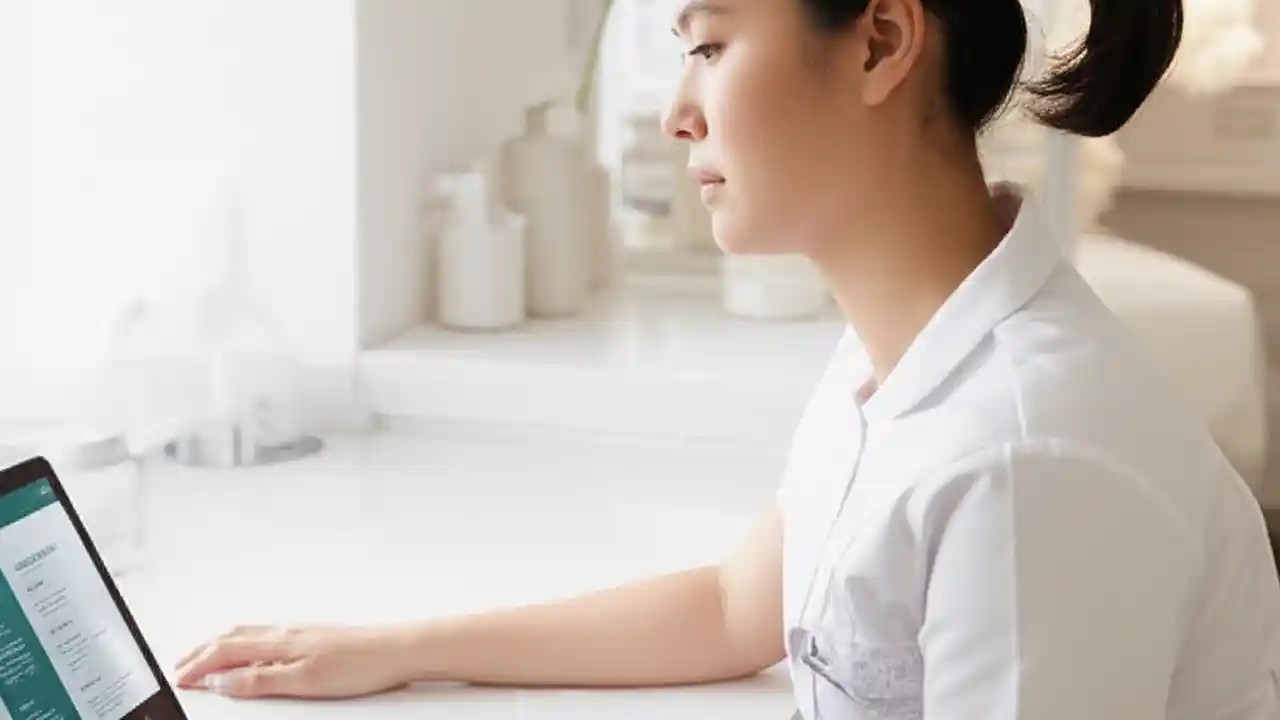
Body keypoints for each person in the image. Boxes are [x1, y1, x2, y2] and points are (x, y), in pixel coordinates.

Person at [175, 0, 1280, 716]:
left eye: (708, 46)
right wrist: (404, 647)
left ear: (880, 43)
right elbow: (733, 608)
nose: (677, 115)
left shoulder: (1026, 460)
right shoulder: (907, 350)